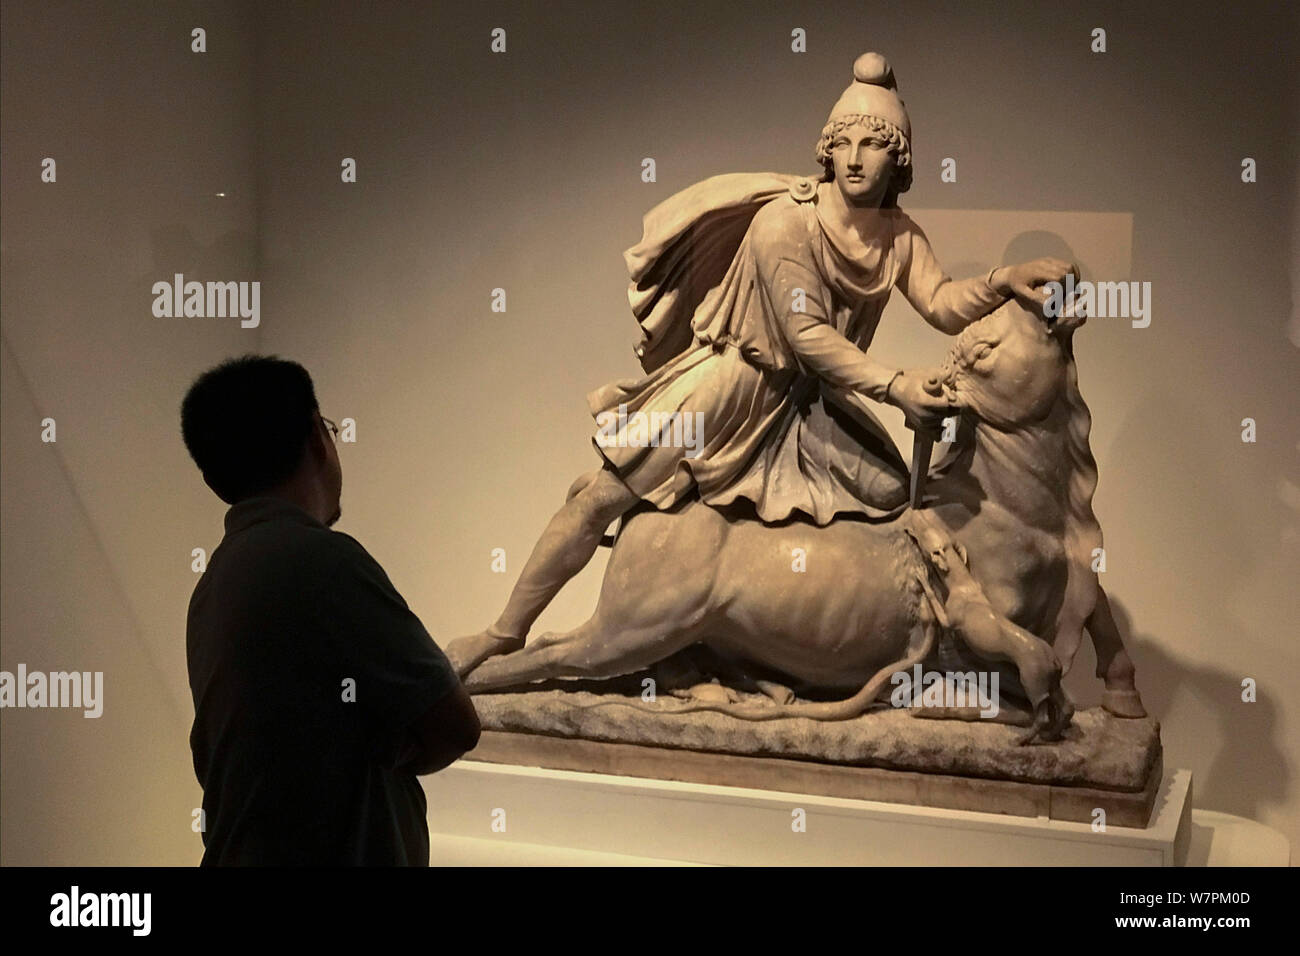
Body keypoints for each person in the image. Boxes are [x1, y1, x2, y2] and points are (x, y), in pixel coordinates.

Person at [447, 52, 1072, 677]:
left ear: (898, 161)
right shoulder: (787, 223)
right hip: (727, 387)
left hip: (805, 402)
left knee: (895, 498)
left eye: (874, 146)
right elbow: (808, 336)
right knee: (603, 496)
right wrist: (895, 386)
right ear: (826, 151)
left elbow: (940, 302)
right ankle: (504, 633)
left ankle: (772, 641)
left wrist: (1004, 279)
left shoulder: (898, 235)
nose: (855, 159)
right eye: (844, 143)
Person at [180, 355, 478, 865]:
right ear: (318, 437)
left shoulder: (213, 584)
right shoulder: (325, 559)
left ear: (214, 481)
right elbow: (456, 726)